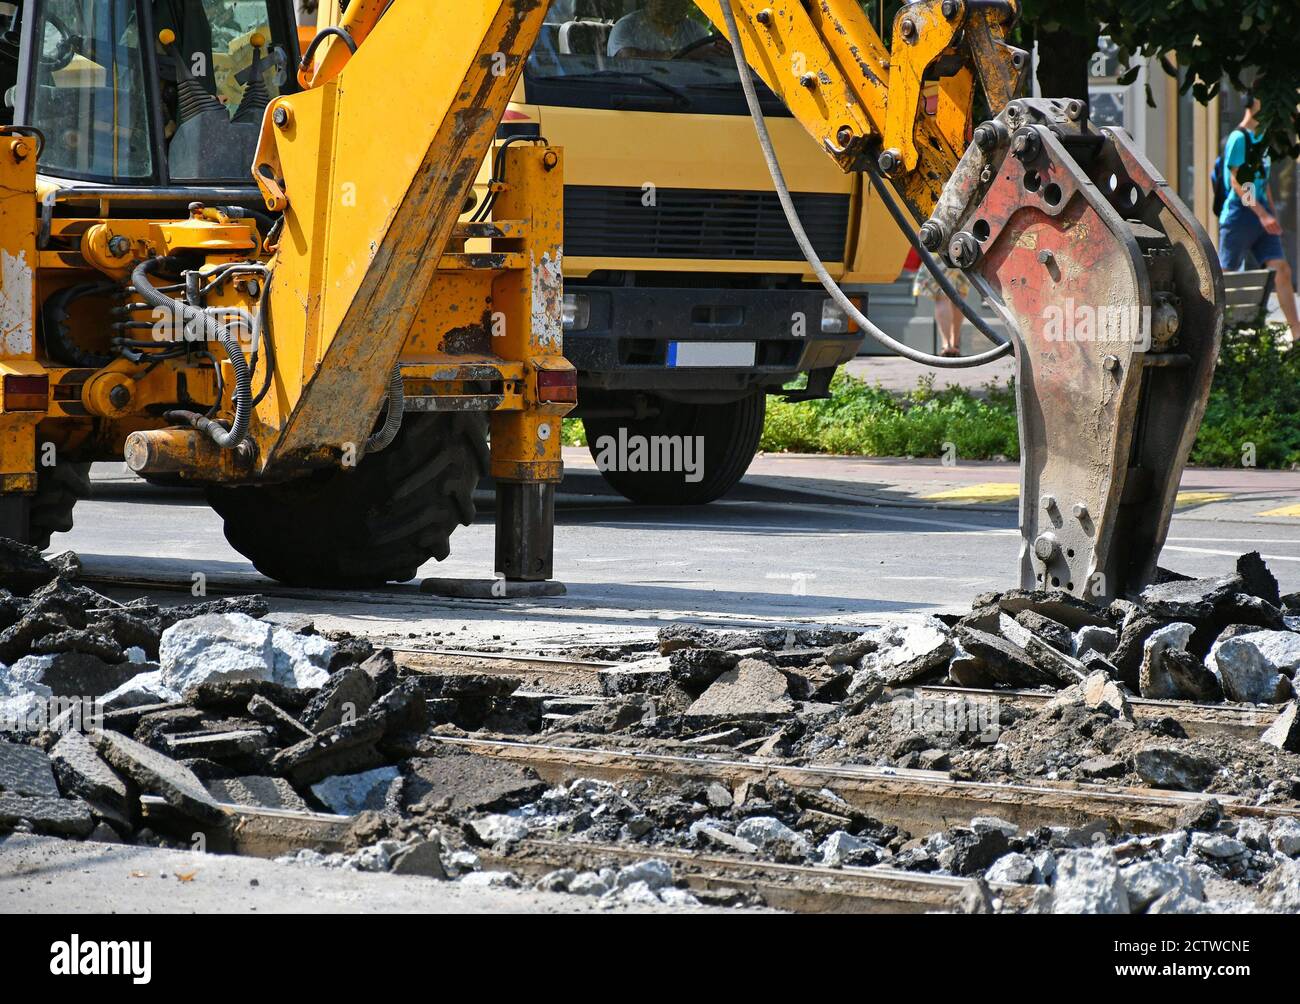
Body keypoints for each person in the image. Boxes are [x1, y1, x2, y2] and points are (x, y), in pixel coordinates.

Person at [1218, 92, 1300, 343]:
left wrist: (1271, 215)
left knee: (1282, 270)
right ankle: (1217, 336)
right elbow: (1237, 181)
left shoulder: (1261, 138)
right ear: (1252, 102)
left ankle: (1297, 337)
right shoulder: (1238, 138)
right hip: (1239, 216)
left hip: (1261, 214)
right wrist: (1263, 215)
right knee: (1225, 276)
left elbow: (1263, 184)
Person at [607, 0, 711, 59]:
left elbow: (712, 53)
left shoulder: (694, 29)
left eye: (682, 2)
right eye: (666, 2)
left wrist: (721, 50)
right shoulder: (627, 26)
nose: (674, 6)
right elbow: (627, 58)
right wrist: (686, 55)